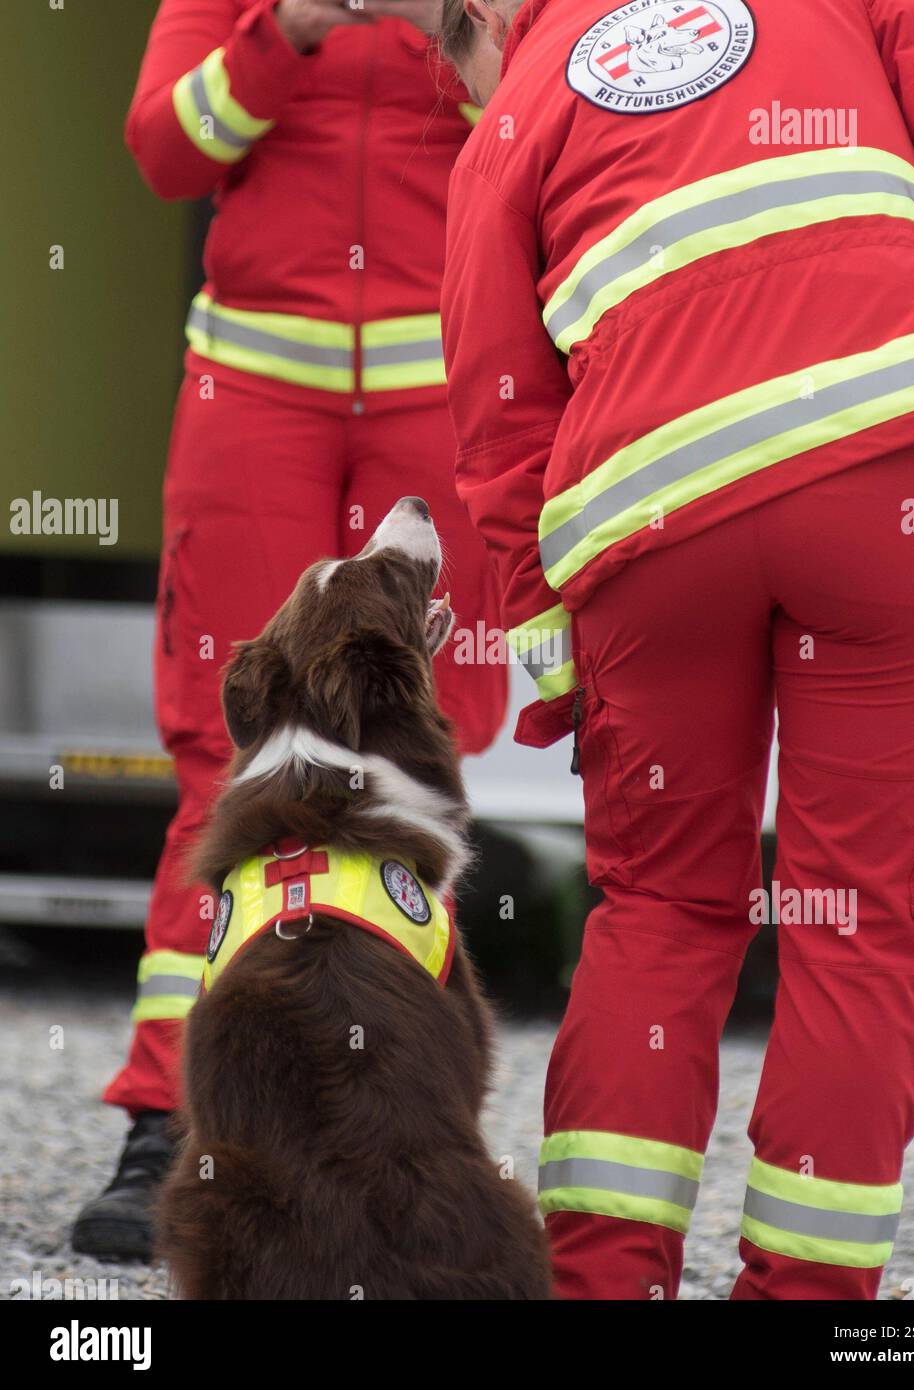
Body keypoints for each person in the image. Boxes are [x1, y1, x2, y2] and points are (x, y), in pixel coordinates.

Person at [438, 0, 914, 1299]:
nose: (469, 99)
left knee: (657, 907)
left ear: (481, 21)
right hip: (890, 468)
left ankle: (601, 1283)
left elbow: (491, 408)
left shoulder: (517, 107)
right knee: (855, 917)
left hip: (651, 518)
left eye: (453, 70)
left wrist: (554, 649)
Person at [72, 0, 506, 1260]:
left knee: (416, 766)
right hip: (255, 393)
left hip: (436, 385)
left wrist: (447, 25)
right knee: (228, 771)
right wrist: (289, 27)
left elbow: (544, 129)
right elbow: (166, 149)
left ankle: (402, 1123)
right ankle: (172, 1119)